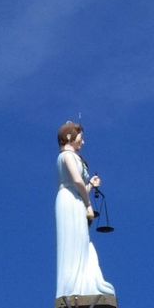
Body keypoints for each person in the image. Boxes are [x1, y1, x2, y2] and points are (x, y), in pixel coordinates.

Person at [55, 121, 115, 298]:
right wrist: (88, 205)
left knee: (80, 240)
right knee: (72, 241)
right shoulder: (66, 156)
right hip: (68, 201)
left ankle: (83, 284)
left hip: (76, 200)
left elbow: (80, 188)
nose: (83, 142)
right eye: (80, 137)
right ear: (68, 137)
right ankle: (72, 287)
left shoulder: (73, 157)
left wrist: (91, 185)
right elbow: (76, 181)